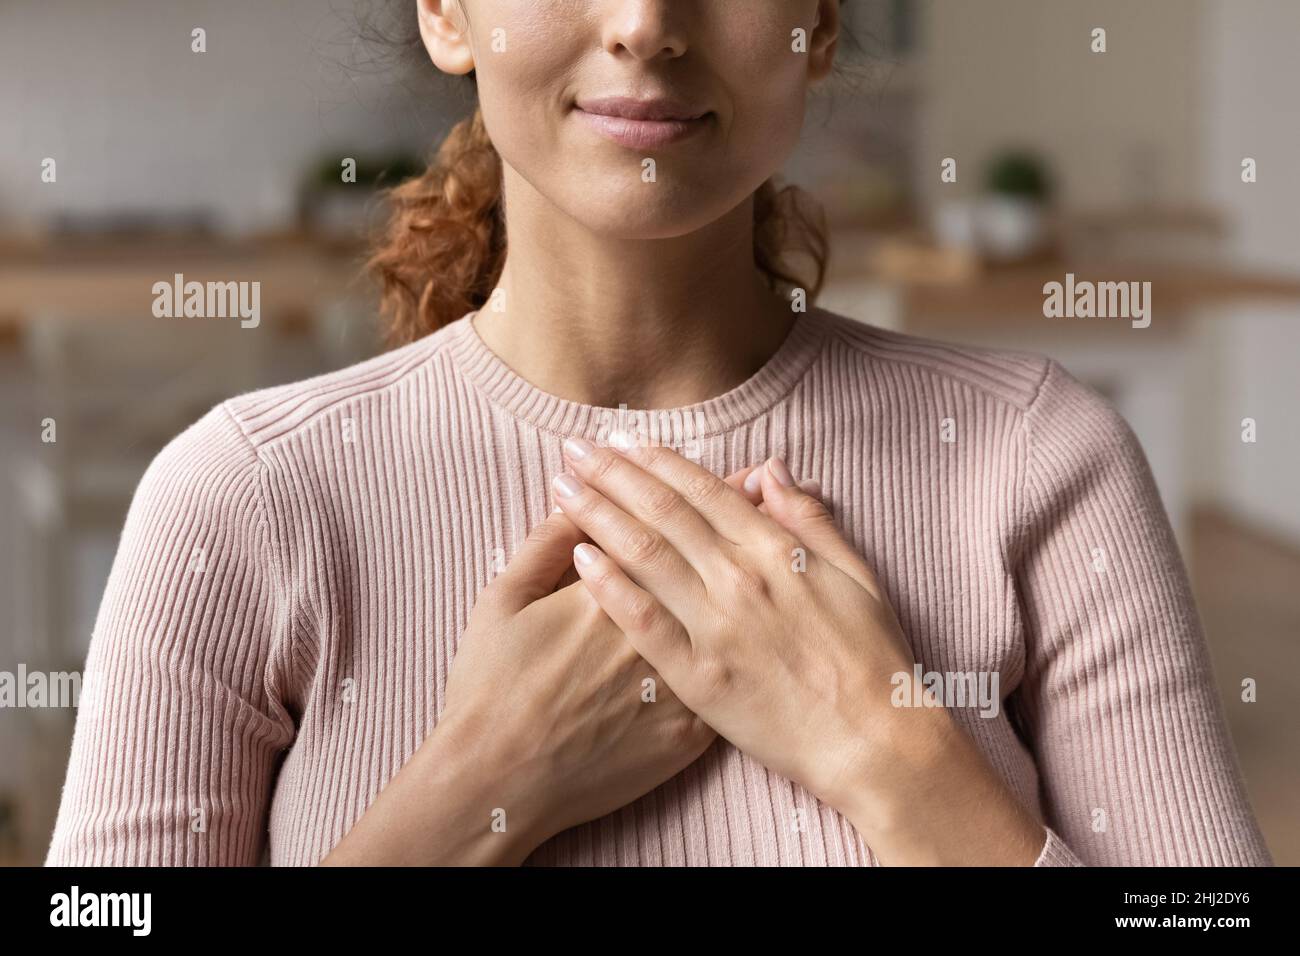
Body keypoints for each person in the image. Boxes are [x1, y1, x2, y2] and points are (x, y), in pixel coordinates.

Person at [47, 0, 1270, 866]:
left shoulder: (1040, 459)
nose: (644, 22)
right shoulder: (242, 496)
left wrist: (885, 751)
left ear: (822, 24)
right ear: (445, 11)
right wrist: (481, 787)